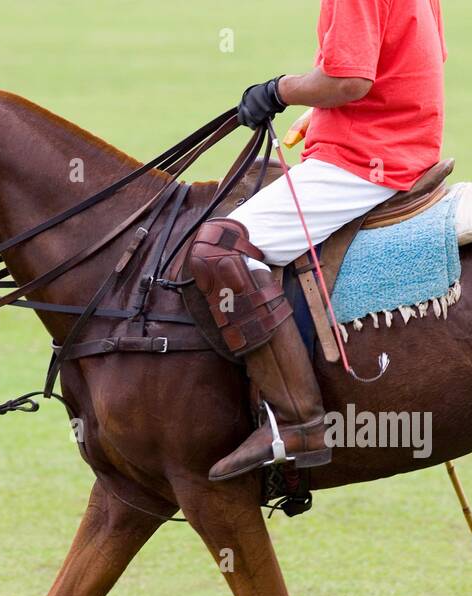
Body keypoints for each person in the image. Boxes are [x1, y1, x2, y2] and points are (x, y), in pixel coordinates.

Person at [188, 0, 447, 481]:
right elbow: (410, 62)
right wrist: (321, 114)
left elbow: (349, 80)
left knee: (219, 247)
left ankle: (297, 421)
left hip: (367, 160)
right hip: (398, 142)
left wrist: (277, 90)